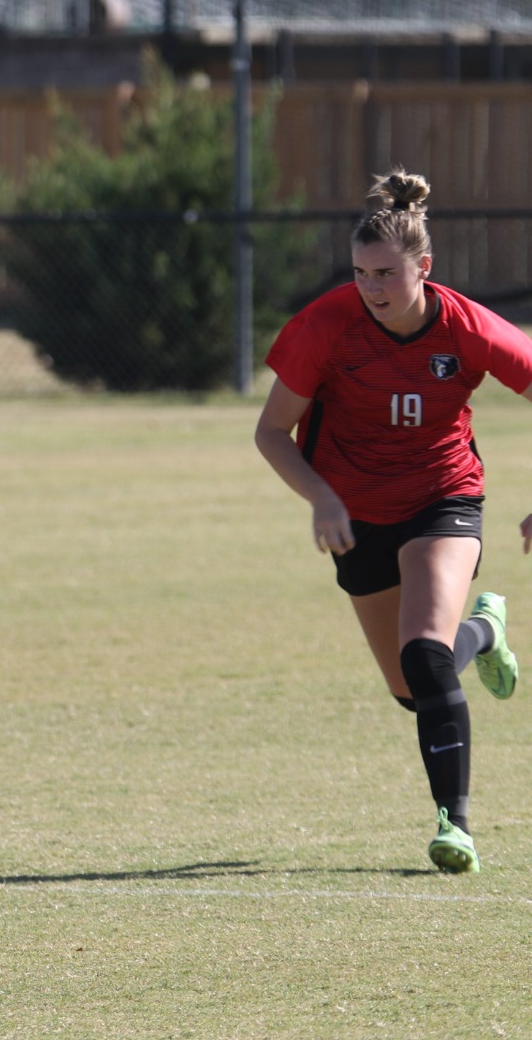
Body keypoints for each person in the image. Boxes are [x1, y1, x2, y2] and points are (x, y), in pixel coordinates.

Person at [255, 168, 529, 874]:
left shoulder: (467, 326)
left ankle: (454, 823)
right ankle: (486, 629)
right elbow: (270, 432)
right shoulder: (326, 325)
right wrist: (321, 496)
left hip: (443, 498)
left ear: (423, 268)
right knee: (413, 691)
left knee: (424, 657)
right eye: (359, 273)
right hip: (356, 516)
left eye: (384, 273)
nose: (370, 287)